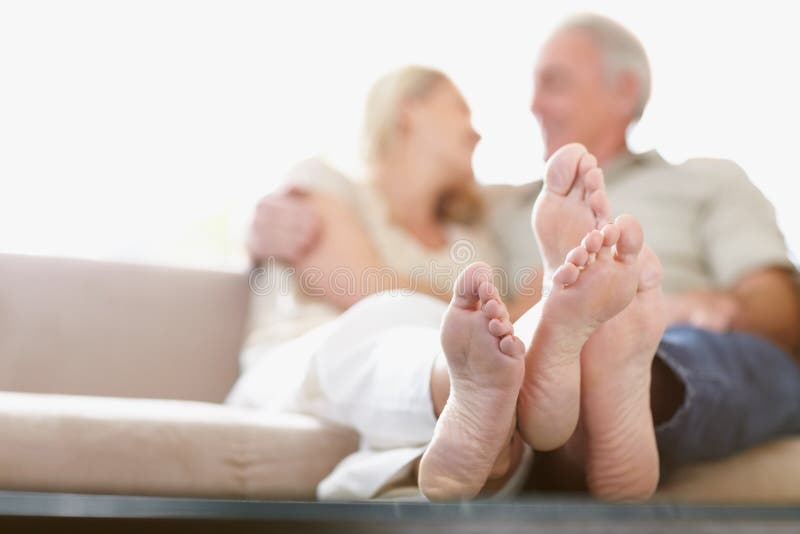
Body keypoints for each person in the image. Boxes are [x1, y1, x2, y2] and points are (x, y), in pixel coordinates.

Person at [246, 13, 800, 494]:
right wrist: (258, 231)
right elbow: (389, 286)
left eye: (553, 83)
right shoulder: (503, 211)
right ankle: (554, 394)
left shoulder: (707, 181)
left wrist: (710, 307)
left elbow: (780, 305)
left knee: (664, 346)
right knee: (488, 361)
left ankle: (615, 367)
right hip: (522, 374)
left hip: (682, 342)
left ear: (623, 91)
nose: (529, 106)